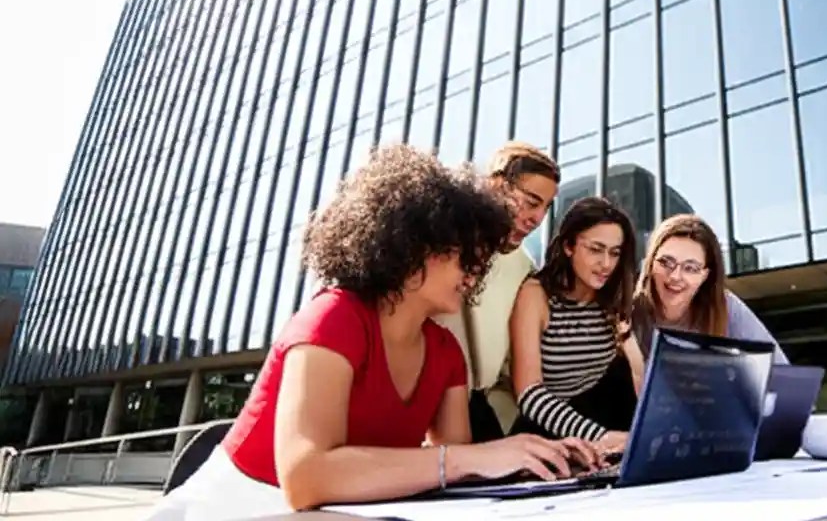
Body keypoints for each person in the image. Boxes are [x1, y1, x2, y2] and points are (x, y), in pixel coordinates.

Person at [146, 145, 599, 519]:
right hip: (234, 506)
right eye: (466, 259)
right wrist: (472, 458)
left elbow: (452, 469)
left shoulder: (445, 354)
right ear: (416, 247)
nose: (475, 274)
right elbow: (305, 480)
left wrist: (536, 457)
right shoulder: (333, 318)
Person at [432, 141, 560, 443]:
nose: (537, 219)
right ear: (496, 185)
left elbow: (510, 367)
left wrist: (500, 422)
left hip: (480, 418)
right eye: (530, 202)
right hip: (420, 410)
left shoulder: (524, 268)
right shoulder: (436, 239)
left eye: (545, 208)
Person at [508, 196, 644, 450]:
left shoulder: (614, 298)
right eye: (595, 249)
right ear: (569, 246)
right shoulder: (536, 294)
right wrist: (598, 437)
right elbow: (528, 393)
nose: (606, 264)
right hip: (554, 429)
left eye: (615, 253)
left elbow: (637, 376)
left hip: (614, 423)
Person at [631, 214, 788, 364]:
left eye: (690, 268)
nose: (675, 276)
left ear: (705, 275)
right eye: (666, 262)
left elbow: (779, 370)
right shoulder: (627, 308)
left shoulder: (725, 307)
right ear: (650, 263)